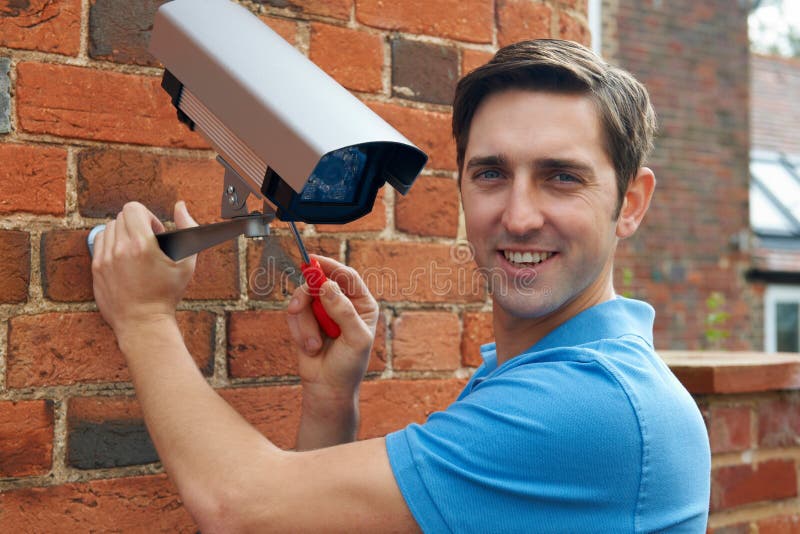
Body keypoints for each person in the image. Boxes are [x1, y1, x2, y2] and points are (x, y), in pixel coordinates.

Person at [91, 39, 710, 532]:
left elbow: (241, 509)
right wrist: (331, 400)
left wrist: (143, 318)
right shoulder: (530, 374)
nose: (519, 216)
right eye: (491, 173)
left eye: (562, 177)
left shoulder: (590, 405)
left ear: (631, 203)